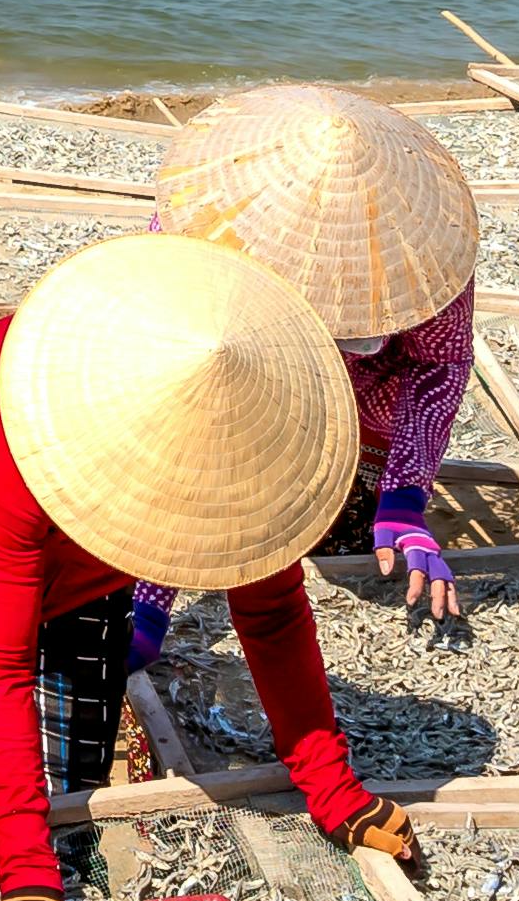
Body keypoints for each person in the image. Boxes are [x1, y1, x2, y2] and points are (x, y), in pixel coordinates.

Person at [0, 231, 429, 901]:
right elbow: (0, 667)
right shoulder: (17, 436)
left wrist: (332, 787)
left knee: (73, 788)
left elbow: (273, 615)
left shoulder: (243, 438)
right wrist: (21, 875)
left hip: (90, 568)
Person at [151, 82, 488, 630]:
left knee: (333, 544)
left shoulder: (428, 252)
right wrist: (148, 599)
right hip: (238, 376)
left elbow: (438, 363)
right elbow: (176, 367)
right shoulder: (199, 230)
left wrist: (404, 496)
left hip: (363, 404)